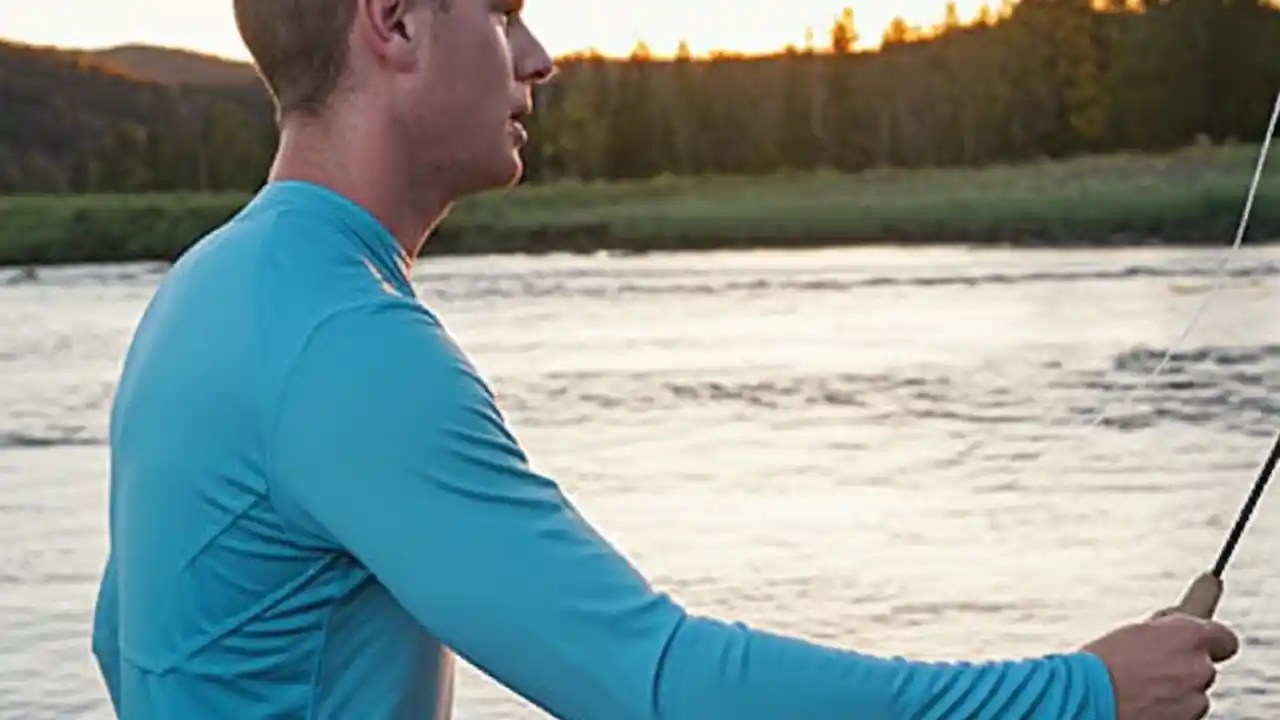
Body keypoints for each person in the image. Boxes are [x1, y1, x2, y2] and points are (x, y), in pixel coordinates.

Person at [90, 1, 1240, 718]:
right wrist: (1078, 698)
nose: (538, 58)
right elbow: (654, 688)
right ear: (391, 24)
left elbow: (128, 647)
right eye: (503, 12)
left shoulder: (209, 293)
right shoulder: (342, 344)